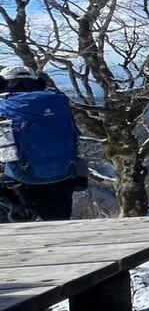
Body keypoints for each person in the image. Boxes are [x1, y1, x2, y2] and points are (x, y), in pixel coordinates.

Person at [0, 65, 86, 222]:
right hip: (62, 175)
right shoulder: (58, 101)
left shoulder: (3, 105)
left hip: (17, 180)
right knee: (58, 226)